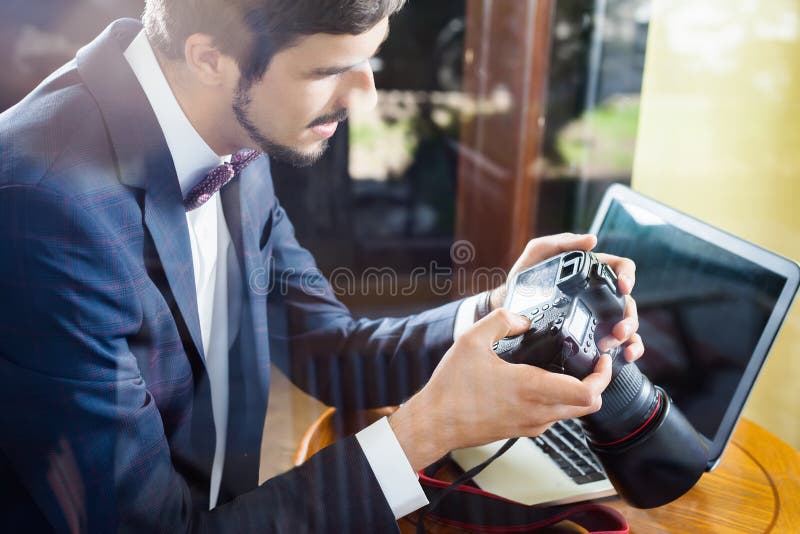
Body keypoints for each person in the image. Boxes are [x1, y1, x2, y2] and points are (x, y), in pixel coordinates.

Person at [0, 0, 643, 531]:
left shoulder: (223, 124)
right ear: (209, 58)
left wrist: (509, 309)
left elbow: (327, 346)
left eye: (370, 60)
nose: (364, 97)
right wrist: (431, 427)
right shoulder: (43, 209)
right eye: (331, 69)